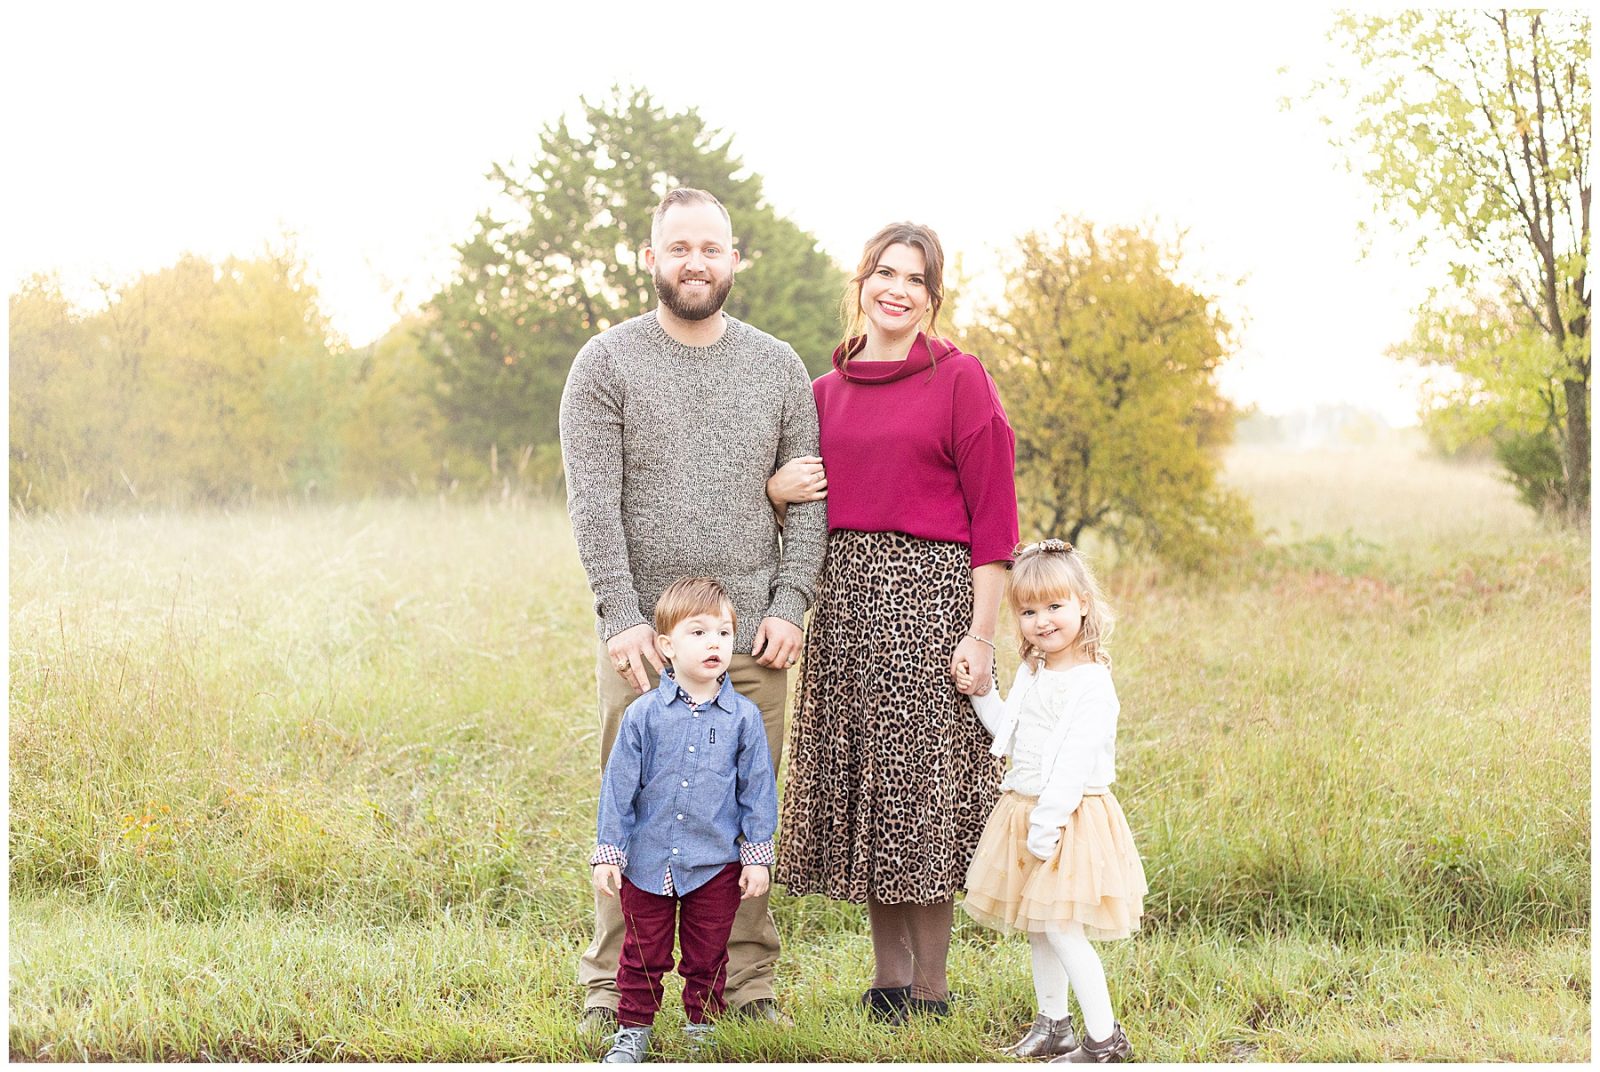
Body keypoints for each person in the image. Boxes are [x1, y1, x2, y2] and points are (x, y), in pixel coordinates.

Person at [559, 188, 826, 1032]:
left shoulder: (778, 365)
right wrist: (620, 616)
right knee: (633, 813)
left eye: (712, 248)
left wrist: (790, 603)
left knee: (747, 815)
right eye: (680, 248)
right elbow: (594, 504)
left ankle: (745, 991)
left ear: (735, 258)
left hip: (754, 637)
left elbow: (810, 495)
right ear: (651, 258)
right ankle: (613, 991)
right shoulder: (605, 364)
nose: (696, 262)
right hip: (648, 643)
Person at [772, 221, 1019, 1023]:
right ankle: (886, 982)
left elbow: (995, 521)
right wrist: (776, 493)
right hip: (844, 609)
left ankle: (932, 989)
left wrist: (981, 635)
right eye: (885, 272)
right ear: (862, 283)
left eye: (915, 279)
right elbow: (791, 499)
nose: (897, 288)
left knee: (921, 795)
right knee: (872, 796)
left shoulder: (961, 379)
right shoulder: (820, 393)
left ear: (932, 298)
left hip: (929, 608)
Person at [955, 539, 1147, 1063]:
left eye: (1055, 606)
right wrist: (982, 693)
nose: (1042, 621)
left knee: (1062, 930)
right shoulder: (1036, 673)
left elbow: (1073, 765)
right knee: (1041, 927)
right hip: (1027, 807)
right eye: (1029, 610)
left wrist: (1046, 824)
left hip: (1069, 817)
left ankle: (1106, 1039)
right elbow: (1010, 737)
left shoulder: (1091, 685)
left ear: (1083, 603)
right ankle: (1053, 1024)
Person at [590, 577, 779, 1063]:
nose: (714, 643)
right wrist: (609, 852)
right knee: (643, 953)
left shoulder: (743, 718)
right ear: (666, 647)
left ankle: (702, 1027)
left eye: (723, 632)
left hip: (714, 864)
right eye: (698, 633)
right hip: (648, 863)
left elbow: (757, 792)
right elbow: (618, 790)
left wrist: (757, 857)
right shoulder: (643, 716)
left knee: (708, 954)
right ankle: (633, 1030)